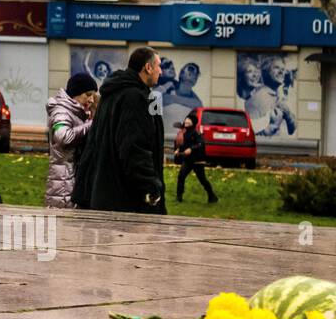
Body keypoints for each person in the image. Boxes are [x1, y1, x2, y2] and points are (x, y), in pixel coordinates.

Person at [72, 46, 167, 214]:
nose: (161, 71)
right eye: (159, 66)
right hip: (126, 199)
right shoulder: (134, 98)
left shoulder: (115, 94)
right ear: (148, 67)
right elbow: (134, 147)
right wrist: (150, 185)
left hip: (105, 192)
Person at [44, 73, 97, 209]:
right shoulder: (61, 112)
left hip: (69, 182)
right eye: (88, 94)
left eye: (93, 95)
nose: (91, 100)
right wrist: (92, 124)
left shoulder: (75, 112)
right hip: (63, 187)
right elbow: (63, 137)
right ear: (75, 93)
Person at [174, 113, 218, 204]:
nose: (186, 121)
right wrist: (178, 150)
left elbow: (200, 144)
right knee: (181, 177)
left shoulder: (196, 132)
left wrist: (191, 149)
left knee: (202, 179)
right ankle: (179, 197)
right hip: (188, 160)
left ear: (193, 123)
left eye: (188, 120)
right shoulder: (185, 133)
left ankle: (212, 196)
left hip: (197, 161)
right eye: (186, 119)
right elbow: (184, 145)